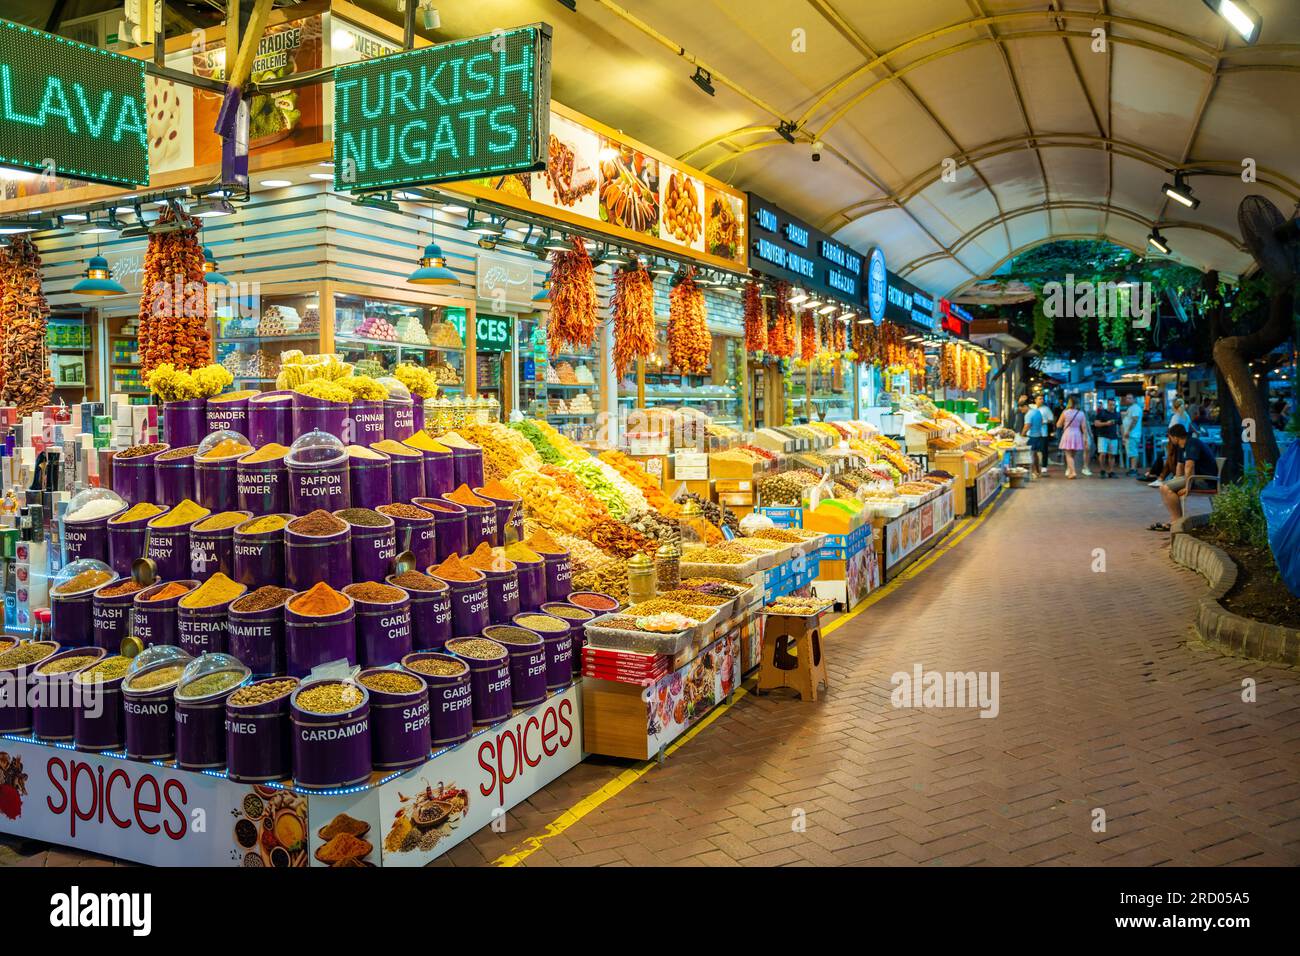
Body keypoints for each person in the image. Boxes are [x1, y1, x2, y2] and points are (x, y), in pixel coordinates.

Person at [1150, 424, 1220, 531]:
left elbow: (1189, 466)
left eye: (1170, 437)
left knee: (1165, 487)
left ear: (1175, 437)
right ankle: (1177, 522)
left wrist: (1188, 486)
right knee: (1166, 488)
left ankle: (1176, 522)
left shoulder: (1192, 443)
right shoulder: (1181, 447)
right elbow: (1180, 466)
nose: (1170, 440)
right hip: (1195, 478)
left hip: (1205, 481)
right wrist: (1176, 482)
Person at [1056, 397, 1087, 479]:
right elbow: (1084, 428)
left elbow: (1058, 424)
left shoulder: (1065, 412)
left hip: (1068, 434)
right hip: (1077, 434)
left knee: (1068, 455)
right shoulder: (1081, 413)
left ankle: (1073, 472)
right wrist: (1085, 438)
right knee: (1072, 455)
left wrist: (1064, 424)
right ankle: (1070, 470)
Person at [1021, 394, 1052, 475]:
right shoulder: (1035, 410)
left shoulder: (1030, 413)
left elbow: (1027, 425)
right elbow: (1041, 420)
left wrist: (1022, 435)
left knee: (1035, 453)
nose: (1021, 411)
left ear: (1025, 407)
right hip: (1038, 434)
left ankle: (1036, 470)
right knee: (1035, 453)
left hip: (1035, 435)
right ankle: (1037, 471)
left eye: (1021, 409)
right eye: (1039, 399)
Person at [1092, 398, 1120, 477]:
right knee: (1103, 453)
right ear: (1107, 404)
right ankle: (1102, 470)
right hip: (1102, 436)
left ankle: (1111, 471)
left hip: (1113, 436)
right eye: (1110, 404)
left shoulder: (1117, 414)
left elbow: (1120, 425)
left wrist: (1122, 434)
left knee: (1112, 454)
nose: (1112, 406)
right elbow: (1096, 423)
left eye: (1113, 405)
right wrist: (1106, 423)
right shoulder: (1102, 413)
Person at [1121, 394, 1144, 477]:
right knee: (1131, 452)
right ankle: (1132, 468)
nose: (1128, 399)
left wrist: (1128, 431)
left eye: (1130, 398)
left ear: (1134, 399)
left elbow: (1135, 420)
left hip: (1133, 434)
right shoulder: (1131, 408)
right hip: (1131, 434)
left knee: (1133, 452)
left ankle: (1133, 469)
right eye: (1127, 398)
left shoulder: (1136, 408)